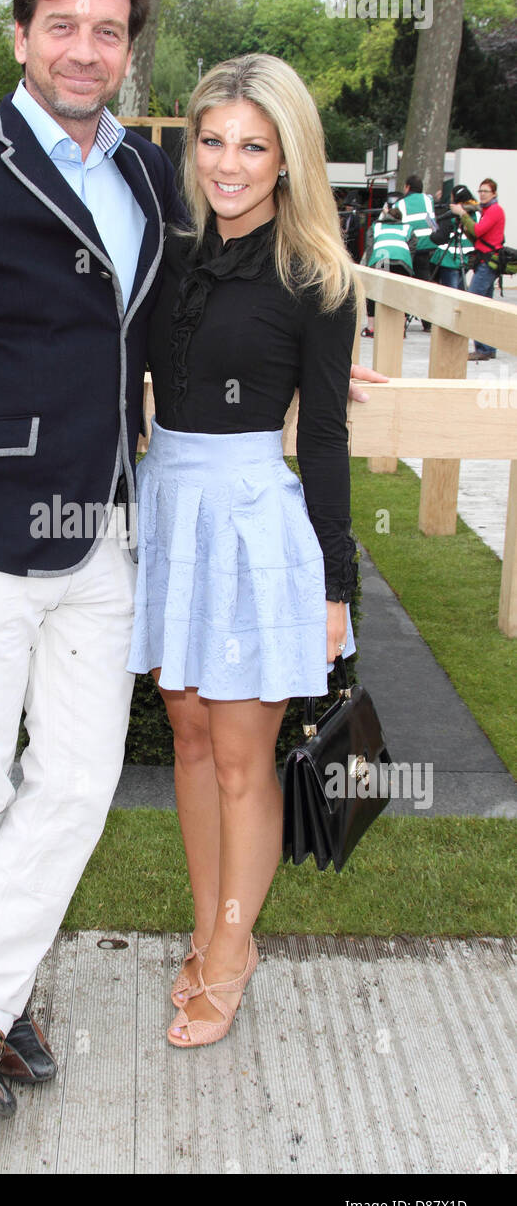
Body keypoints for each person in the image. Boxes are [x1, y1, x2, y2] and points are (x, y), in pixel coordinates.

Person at [0, 0, 385, 1116]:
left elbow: (216, 303)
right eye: (62, 25)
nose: (84, 50)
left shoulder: (145, 174)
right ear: (21, 35)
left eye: (107, 31)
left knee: (81, 779)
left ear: (130, 51)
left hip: (108, 538)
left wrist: (308, 360)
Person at [127, 53, 361, 1049]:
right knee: (186, 739)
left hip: (252, 521)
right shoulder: (166, 249)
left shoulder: (317, 278)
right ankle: (205, 925)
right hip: (168, 509)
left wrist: (336, 586)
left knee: (238, 757)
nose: (227, 164)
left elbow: (324, 439)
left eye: (252, 146)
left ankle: (232, 947)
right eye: (212, 141)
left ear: (287, 157)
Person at [452, 178, 505, 360]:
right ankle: (486, 348)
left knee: (474, 303)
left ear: (494, 193)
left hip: (487, 264)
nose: (482, 194)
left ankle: (483, 349)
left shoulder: (494, 210)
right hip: (484, 262)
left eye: (485, 191)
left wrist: (462, 214)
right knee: (484, 306)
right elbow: (477, 236)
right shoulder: (487, 210)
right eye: (480, 191)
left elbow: (478, 231)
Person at [359, 197, 414, 338]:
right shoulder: (407, 227)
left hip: (381, 258)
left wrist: (371, 268)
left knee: (374, 292)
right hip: (402, 261)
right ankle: (401, 330)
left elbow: (370, 246)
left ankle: (371, 328)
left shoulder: (376, 226)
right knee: (402, 293)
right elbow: (412, 246)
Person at [395, 173, 436, 330]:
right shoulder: (428, 199)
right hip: (427, 246)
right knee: (424, 284)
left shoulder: (400, 204)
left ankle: (402, 320)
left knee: (406, 284)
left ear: (407, 187)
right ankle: (427, 322)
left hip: (409, 248)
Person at [429, 184, 476, 294]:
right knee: (461, 290)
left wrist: (432, 232)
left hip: (450, 260)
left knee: (451, 293)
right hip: (468, 259)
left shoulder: (453, 214)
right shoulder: (477, 213)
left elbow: (440, 238)